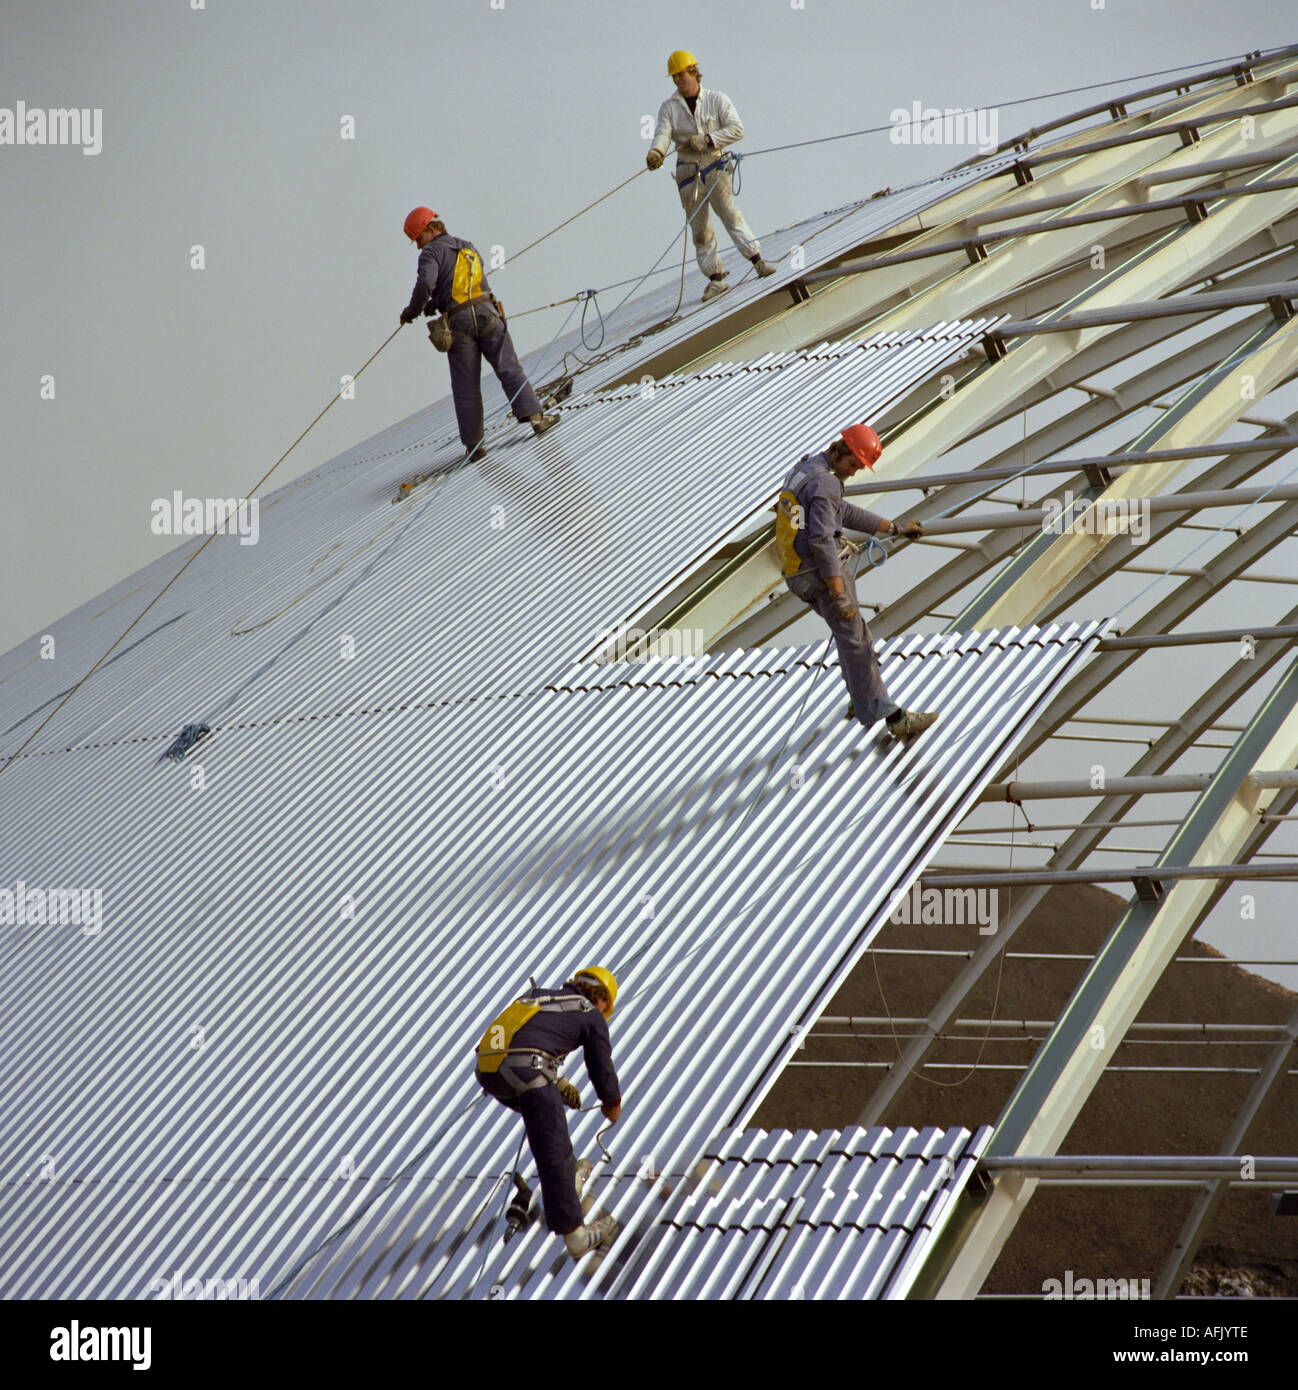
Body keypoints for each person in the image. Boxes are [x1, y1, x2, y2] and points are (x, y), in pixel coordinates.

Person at [776, 424, 939, 742]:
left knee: (852, 636)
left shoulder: (807, 469)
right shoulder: (826, 483)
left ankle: (861, 699)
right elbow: (823, 540)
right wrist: (839, 593)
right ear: (840, 448)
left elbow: (842, 511)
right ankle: (890, 716)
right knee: (856, 640)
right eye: (852, 464)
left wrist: (894, 527)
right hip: (820, 573)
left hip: (797, 572)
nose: (852, 472)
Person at [475, 967, 622, 1259]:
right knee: (551, 1144)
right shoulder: (590, 1013)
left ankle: (571, 1179)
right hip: (527, 1070)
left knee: (548, 1124)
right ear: (603, 999)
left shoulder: (539, 997)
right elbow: (600, 1064)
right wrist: (611, 1103)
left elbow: (520, 1037)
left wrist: (560, 1082)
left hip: (488, 1071)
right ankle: (575, 1234)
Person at [399, 207, 558, 459]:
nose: (419, 246)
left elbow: (426, 283)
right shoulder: (468, 246)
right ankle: (536, 417)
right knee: (509, 368)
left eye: (419, 238)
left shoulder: (431, 252)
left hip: (459, 324)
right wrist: (437, 301)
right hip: (487, 313)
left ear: (431, 229)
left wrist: (413, 310)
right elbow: (465, 281)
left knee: (466, 385)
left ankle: (474, 446)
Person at [646, 51, 776, 302]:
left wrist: (707, 139)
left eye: (681, 75)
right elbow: (663, 133)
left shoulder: (716, 100)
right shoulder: (669, 108)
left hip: (714, 164)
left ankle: (757, 260)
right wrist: (656, 152)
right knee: (701, 229)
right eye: (674, 77)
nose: (677, 81)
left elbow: (737, 129)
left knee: (729, 213)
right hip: (688, 173)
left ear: (693, 71)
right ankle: (716, 279)